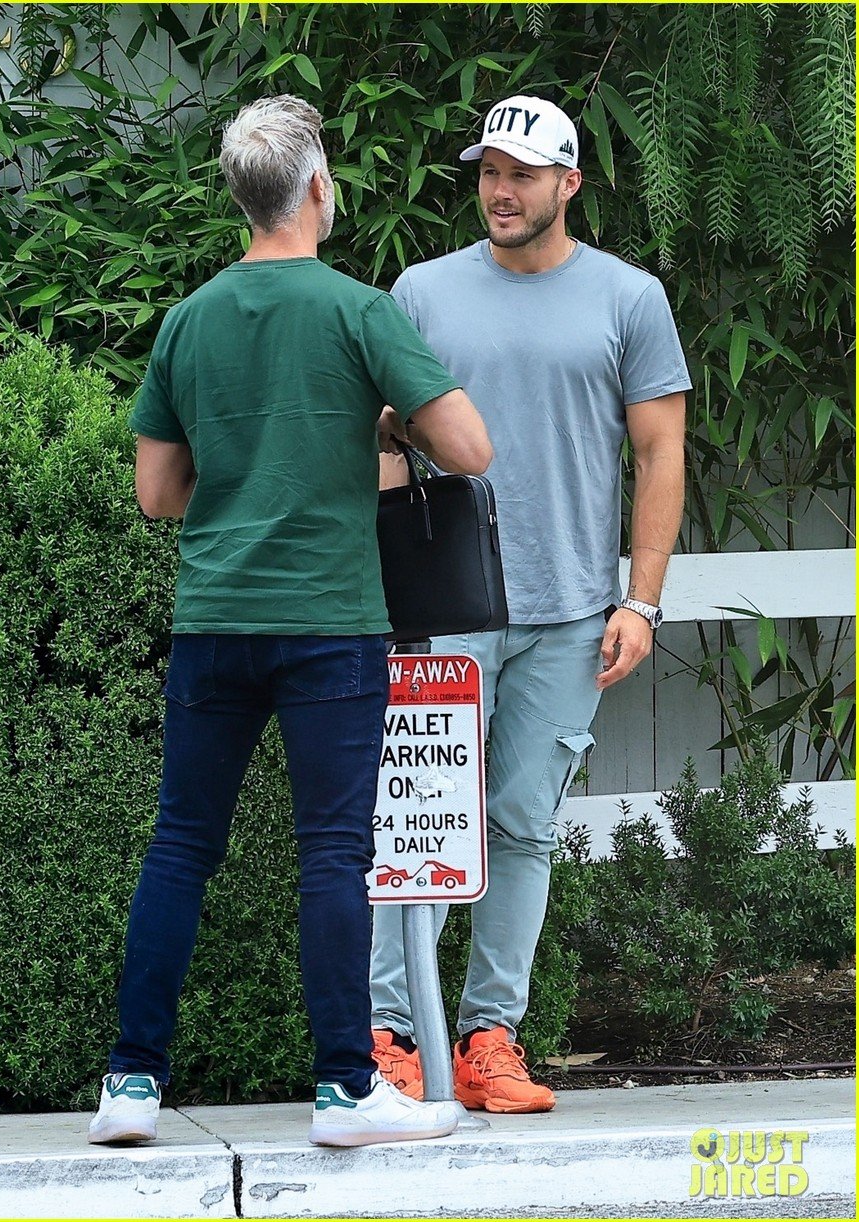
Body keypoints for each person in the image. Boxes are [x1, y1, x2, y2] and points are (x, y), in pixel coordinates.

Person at [88, 94, 492, 1150]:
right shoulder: (359, 312)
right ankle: (343, 1091)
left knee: (180, 844)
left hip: (215, 616)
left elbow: (158, 495)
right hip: (329, 622)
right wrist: (389, 420)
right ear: (319, 189)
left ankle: (129, 1085)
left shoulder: (188, 319)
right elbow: (472, 447)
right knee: (330, 853)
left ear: (240, 198)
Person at [372, 94, 690, 1113]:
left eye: (520, 174)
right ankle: (389, 1037)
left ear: (568, 185)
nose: (499, 191)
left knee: (519, 824)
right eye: (487, 172)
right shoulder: (418, 293)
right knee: (412, 815)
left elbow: (658, 453)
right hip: (439, 605)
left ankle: (486, 1039)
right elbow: (376, 437)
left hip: (565, 610)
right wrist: (390, 579)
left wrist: (639, 600)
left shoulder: (627, 298)